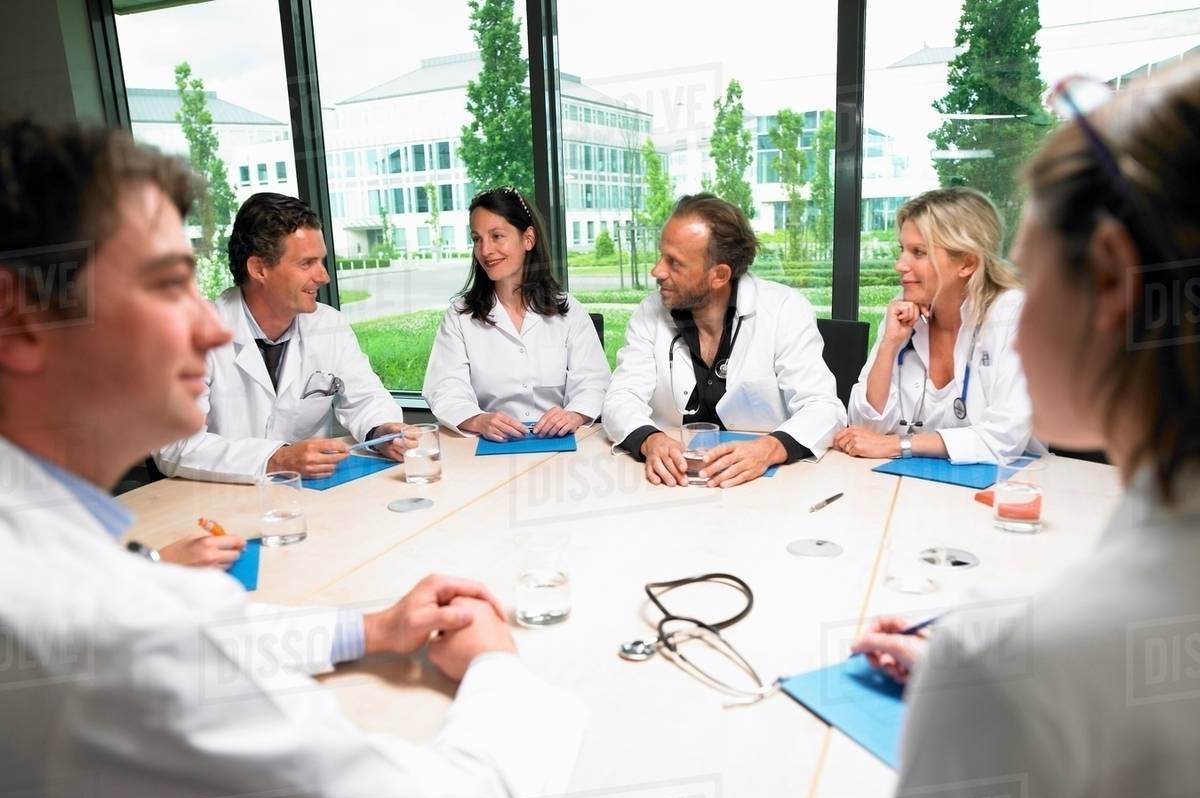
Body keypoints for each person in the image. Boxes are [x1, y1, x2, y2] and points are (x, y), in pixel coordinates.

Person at [0, 119, 585, 798]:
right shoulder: (103, 630)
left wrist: (370, 628)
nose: (210, 325)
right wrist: (495, 667)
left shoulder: (53, 559)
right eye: (169, 285)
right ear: (21, 320)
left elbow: (200, 626)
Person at [854, 62, 1200, 798]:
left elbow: (1000, 436)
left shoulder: (1017, 668)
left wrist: (986, 679)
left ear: (1113, 279)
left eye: (1036, 274)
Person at [153, 192, 411, 483]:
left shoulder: (328, 325)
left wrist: (382, 431)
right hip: (218, 499)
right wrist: (275, 459)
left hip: (310, 496)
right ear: (259, 269)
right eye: (307, 263)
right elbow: (174, 445)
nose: (323, 276)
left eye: (321, 261)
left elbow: (366, 398)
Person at [602, 193, 846, 487]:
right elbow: (620, 398)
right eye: (660, 255)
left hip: (767, 487)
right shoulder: (649, 311)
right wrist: (650, 439)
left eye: (674, 263)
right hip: (671, 487)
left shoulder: (784, 309)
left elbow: (823, 407)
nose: (657, 271)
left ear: (719, 275)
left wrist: (768, 450)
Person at [835, 187, 1038, 462]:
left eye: (918, 252)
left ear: (967, 263)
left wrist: (900, 445)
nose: (899, 265)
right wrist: (889, 345)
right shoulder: (903, 313)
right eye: (902, 250)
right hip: (914, 484)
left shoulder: (1014, 314)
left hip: (1009, 487)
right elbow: (865, 429)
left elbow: (1005, 437)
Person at [423, 187, 610, 440]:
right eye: (477, 239)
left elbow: (595, 382)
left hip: (560, 446)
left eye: (497, 236)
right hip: (490, 449)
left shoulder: (569, 311)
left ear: (528, 239)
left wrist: (574, 415)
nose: (485, 250)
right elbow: (445, 389)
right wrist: (479, 420)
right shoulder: (460, 317)